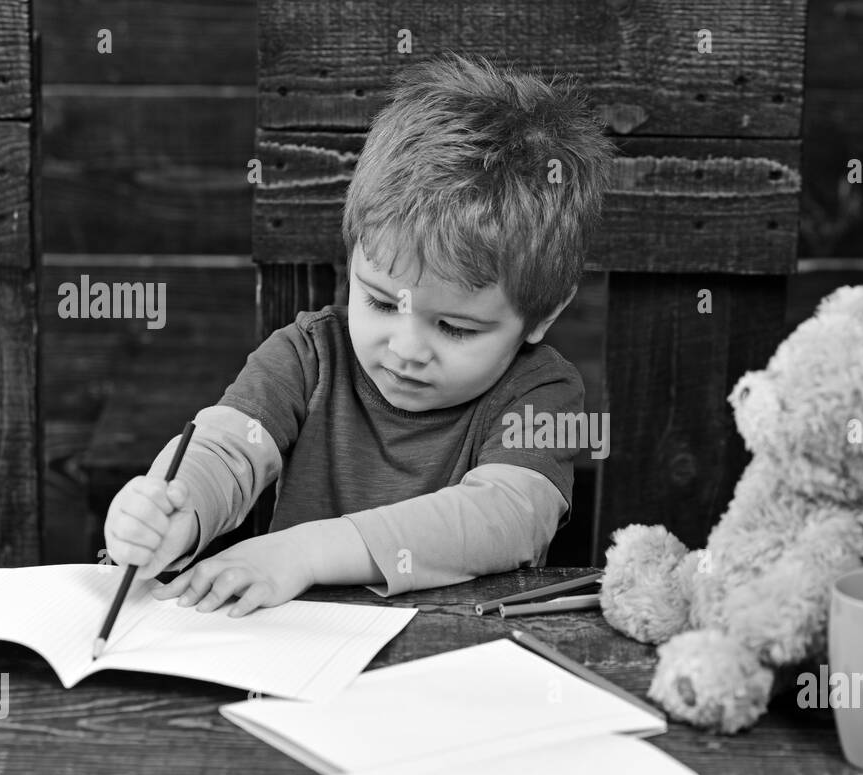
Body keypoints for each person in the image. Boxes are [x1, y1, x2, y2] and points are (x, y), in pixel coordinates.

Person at [103, 52, 616, 616]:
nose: (405, 349)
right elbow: (228, 450)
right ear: (351, 260)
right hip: (293, 660)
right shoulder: (308, 358)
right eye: (377, 300)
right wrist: (175, 511)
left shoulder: (540, 394)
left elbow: (507, 517)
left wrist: (304, 551)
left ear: (542, 316)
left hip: (455, 668)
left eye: (455, 327)